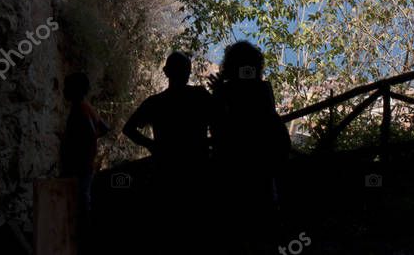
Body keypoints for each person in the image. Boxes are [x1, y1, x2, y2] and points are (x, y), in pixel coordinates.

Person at [123, 52, 214, 252]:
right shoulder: (200, 96)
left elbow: (128, 129)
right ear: (188, 72)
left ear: (166, 72)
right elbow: (224, 123)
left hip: (165, 174)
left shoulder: (155, 102)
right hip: (197, 174)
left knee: (166, 232)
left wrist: (152, 145)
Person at [209, 41, 290, 254]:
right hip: (262, 163)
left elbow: (218, 128)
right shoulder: (263, 90)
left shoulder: (226, 91)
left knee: (235, 221)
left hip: (232, 165)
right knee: (262, 217)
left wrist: (218, 92)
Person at [59, 71, 110, 245]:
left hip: (78, 168)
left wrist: (78, 142)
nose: (64, 90)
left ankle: (83, 243)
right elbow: (104, 128)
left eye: (67, 87)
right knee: (82, 203)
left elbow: (89, 133)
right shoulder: (88, 107)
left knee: (79, 209)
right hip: (85, 167)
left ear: (75, 89)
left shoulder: (79, 108)